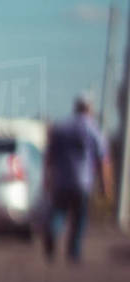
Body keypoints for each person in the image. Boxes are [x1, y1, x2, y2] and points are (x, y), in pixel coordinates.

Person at [43, 95, 113, 263]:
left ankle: (52, 232)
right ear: (89, 108)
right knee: (79, 218)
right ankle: (74, 253)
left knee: (59, 212)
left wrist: (47, 178)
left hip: (60, 179)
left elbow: (49, 156)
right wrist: (106, 185)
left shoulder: (61, 128)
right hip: (82, 181)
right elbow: (103, 159)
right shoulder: (93, 129)